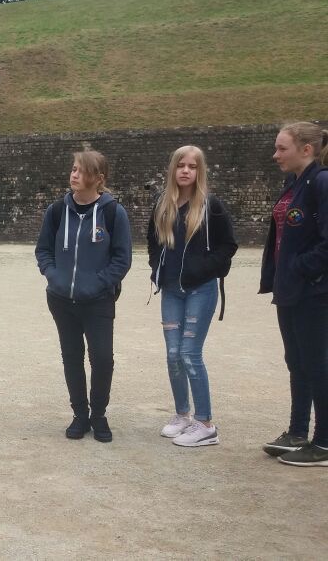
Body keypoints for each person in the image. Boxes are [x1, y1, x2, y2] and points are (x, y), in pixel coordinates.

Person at [35, 150, 132, 442]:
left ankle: (99, 415)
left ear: (98, 179)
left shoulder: (114, 212)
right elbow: (43, 250)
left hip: (98, 300)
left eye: (81, 170)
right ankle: (79, 414)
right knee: (72, 357)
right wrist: (54, 276)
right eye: (73, 169)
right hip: (61, 300)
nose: (74, 174)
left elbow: (122, 258)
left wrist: (98, 284)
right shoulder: (56, 210)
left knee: (102, 358)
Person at [146, 146, 237, 447]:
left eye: (192, 166)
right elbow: (152, 241)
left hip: (201, 289)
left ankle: (206, 423)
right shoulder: (163, 205)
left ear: (200, 171)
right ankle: (182, 415)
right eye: (180, 165)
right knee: (172, 355)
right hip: (171, 291)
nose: (186, 171)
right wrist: (156, 269)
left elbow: (228, 246)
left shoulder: (212, 206)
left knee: (189, 353)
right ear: (172, 169)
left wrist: (203, 269)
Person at [259, 121, 328, 467]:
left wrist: (302, 267)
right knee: (297, 362)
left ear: (306, 150)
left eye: (282, 148)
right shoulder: (293, 184)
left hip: (313, 291)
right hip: (290, 289)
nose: (275, 155)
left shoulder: (321, 182)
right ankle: (298, 432)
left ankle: (325, 442)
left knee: (317, 364)